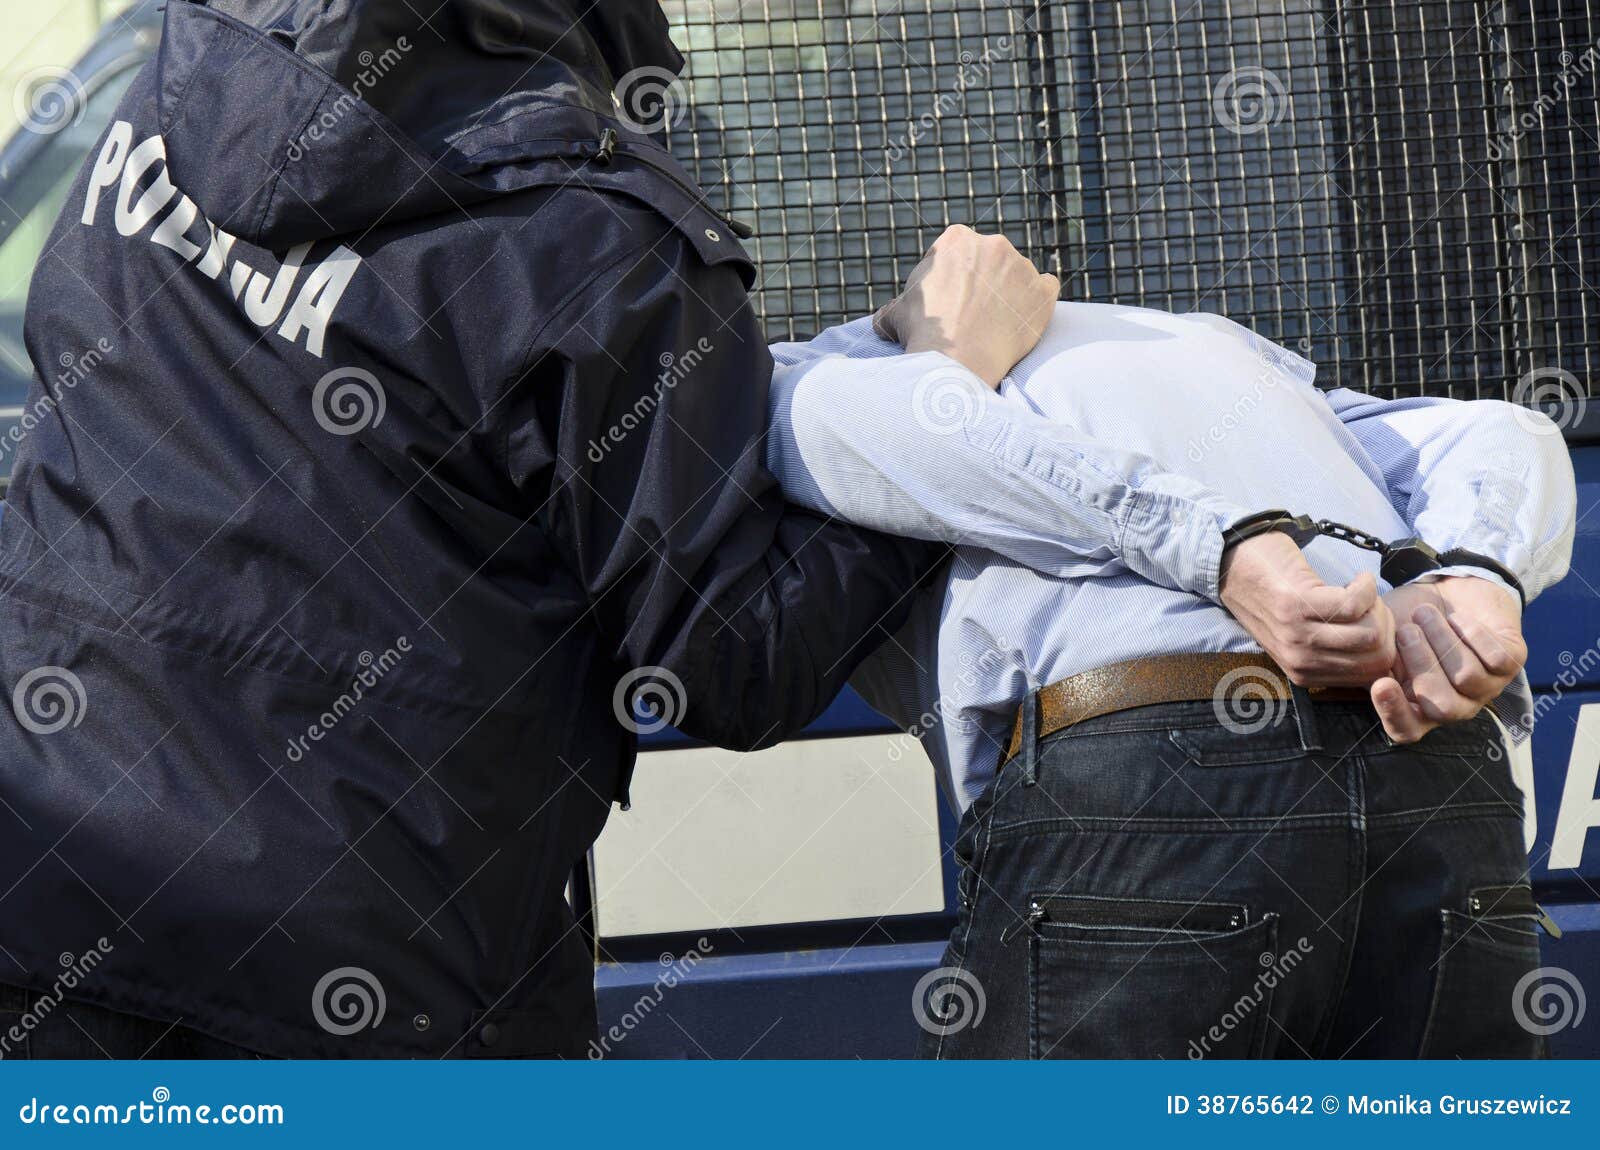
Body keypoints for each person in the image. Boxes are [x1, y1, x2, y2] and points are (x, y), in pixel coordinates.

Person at [0, 0, 1069, 1058]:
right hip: (370, 982)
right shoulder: (596, 237)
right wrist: (943, 384)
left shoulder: (184, 81)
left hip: (45, 886)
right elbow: (737, 654)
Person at [764, 299, 1575, 1058]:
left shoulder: (831, 362)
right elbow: (1505, 429)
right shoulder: (1217, 349)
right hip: (1439, 778)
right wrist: (1473, 578)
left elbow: (829, 424)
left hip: (1157, 786)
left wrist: (1222, 552)